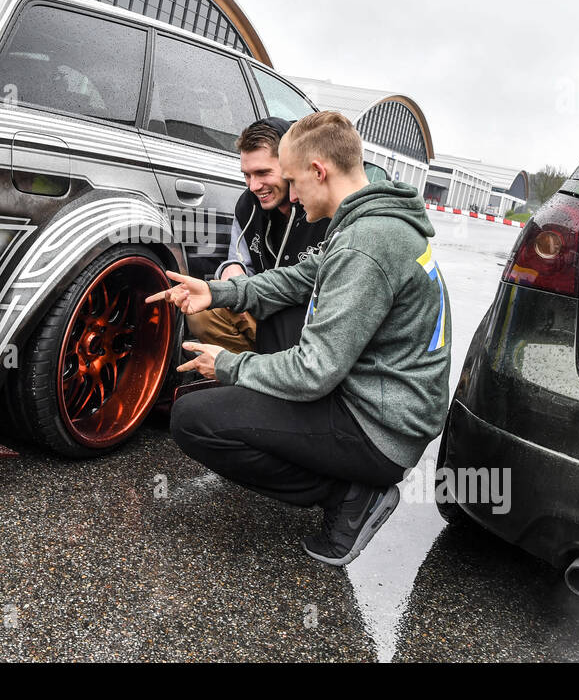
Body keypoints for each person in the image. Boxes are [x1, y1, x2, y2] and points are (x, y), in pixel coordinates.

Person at [148, 110, 451, 566]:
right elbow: (295, 279)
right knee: (261, 332)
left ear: (318, 171)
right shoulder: (373, 222)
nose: (289, 193)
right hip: (383, 406)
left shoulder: (364, 244)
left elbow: (313, 372)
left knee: (192, 419)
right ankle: (342, 478)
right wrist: (216, 291)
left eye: (291, 179)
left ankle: (350, 494)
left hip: (378, 429)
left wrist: (229, 365)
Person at [188, 118, 332, 356]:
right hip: (266, 314)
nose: (254, 186)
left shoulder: (325, 208)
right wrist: (231, 270)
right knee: (204, 309)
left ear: (290, 165)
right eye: (247, 175)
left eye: (263, 173)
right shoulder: (247, 205)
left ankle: (277, 373)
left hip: (313, 329)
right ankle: (257, 372)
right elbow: (240, 261)